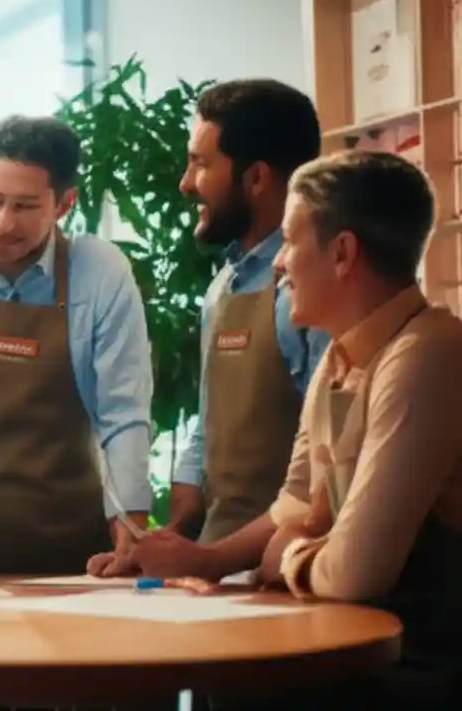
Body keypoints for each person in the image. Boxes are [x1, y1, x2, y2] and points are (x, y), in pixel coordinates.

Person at [250, 151, 459, 709]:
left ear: (342, 252)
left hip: (424, 673)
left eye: (290, 241)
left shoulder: (427, 354)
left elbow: (355, 574)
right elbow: (297, 506)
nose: (278, 263)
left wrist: (290, 555)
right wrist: (214, 560)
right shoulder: (339, 358)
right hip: (366, 655)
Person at [100, 79, 330, 580]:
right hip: (216, 574)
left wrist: (213, 560)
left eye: (201, 163)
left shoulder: (315, 293)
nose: (185, 182)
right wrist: (164, 542)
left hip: (285, 576)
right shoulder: (223, 285)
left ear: (256, 178)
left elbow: (326, 477)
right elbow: (208, 429)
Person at [0, 115, 152, 581]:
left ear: (64, 203)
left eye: (24, 206)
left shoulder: (99, 273)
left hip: (74, 556)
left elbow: (121, 413)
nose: (2, 223)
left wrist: (130, 527)